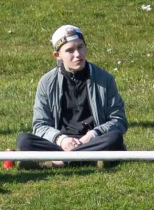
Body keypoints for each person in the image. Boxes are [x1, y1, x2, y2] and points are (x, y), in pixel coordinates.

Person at [10, 25, 129, 167]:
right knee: (24, 140)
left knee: (114, 138)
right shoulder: (47, 82)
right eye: (70, 50)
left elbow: (119, 120)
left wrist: (92, 135)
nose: (78, 54)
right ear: (57, 55)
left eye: (80, 47)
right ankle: (89, 159)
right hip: (60, 143)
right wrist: (62, 140)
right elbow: (40, 125)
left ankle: (58, 162)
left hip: (91, 140)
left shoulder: (104, 79)